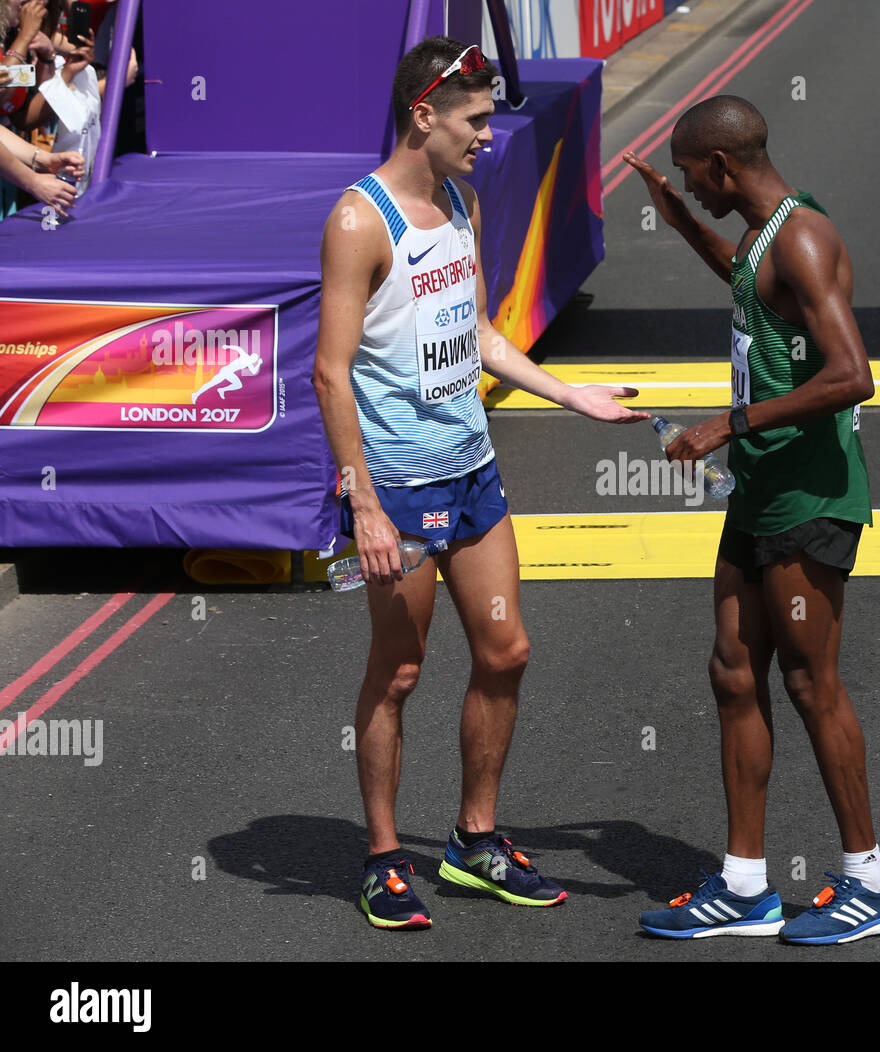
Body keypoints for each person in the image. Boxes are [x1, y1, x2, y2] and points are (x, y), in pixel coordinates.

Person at [313, 35, 647, 930]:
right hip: (399, 489)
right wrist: (366, 506)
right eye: (474, 121)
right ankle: (385, 858)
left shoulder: (459, 203)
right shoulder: (360, 221)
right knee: (400, 673)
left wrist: (570, 394)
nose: (487, 137)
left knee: (507, 652)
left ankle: (474, 841)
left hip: (473, 474)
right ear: (423, 113)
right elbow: (330, 374)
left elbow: (483, 337)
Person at [626, 95, 880, 945]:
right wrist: (681, 225)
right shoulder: (762, 236)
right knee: (733, 671)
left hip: (809, 497)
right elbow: (754, 287)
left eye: (691, 177)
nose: (690, 187)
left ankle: (872, 881)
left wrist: (730, 423)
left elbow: (853, 374)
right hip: (758, 491)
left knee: (809, 682)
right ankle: (745, 885)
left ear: (723, 166)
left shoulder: (804, 237)